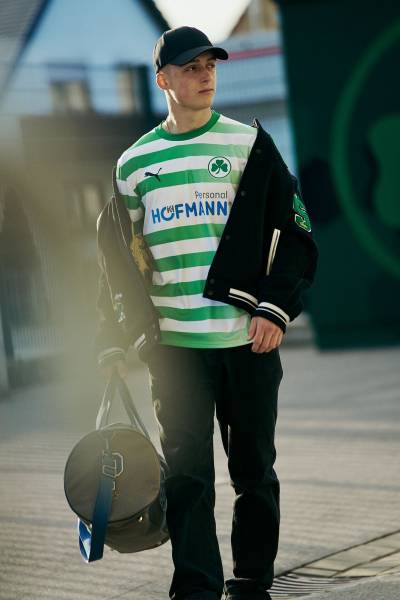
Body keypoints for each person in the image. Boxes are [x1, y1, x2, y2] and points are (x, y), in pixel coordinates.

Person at [95, 26, 318, 600]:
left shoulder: (250, 145)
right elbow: (117, 259)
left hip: (248, 342)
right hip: (174, 349)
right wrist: (122, 335)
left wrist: (275, 308)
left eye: (210, 66)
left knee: (254, 473)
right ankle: (196, 587)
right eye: (190, 68)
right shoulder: (134, 164)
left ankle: (252, 583)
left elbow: (296, 234)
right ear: (163, 79)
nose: (204, 76)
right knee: (187, 476)